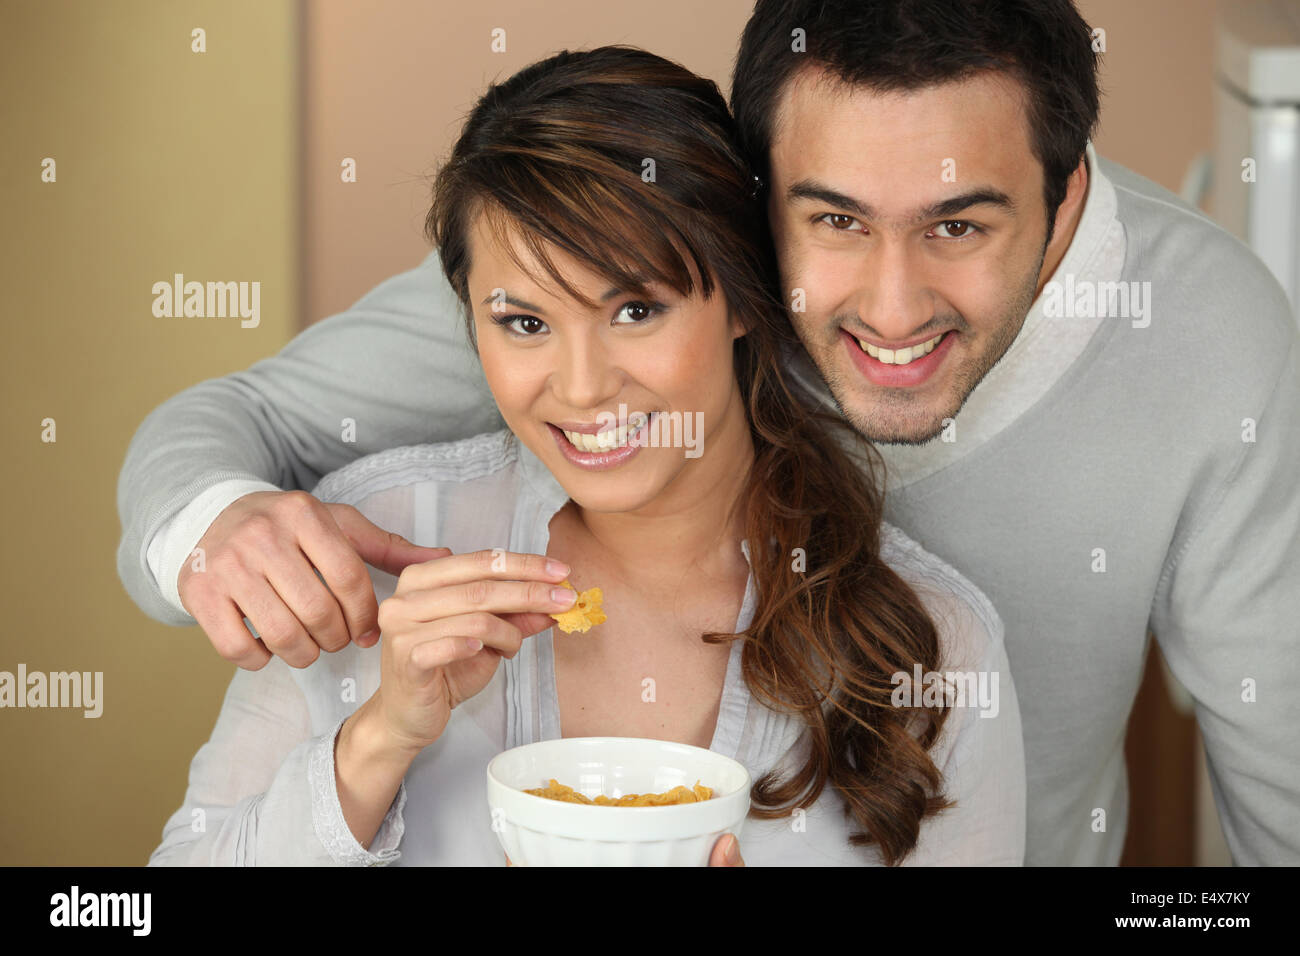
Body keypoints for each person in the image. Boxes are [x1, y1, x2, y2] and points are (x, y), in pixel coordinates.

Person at [120, 0, 1300, 866]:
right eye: (832, 218)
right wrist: (234, 548)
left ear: (1063, 207)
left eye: (958, 224)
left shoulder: (1204, 340)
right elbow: (246, 420)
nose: (890, 311)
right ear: (749, 208)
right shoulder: (572, 279)